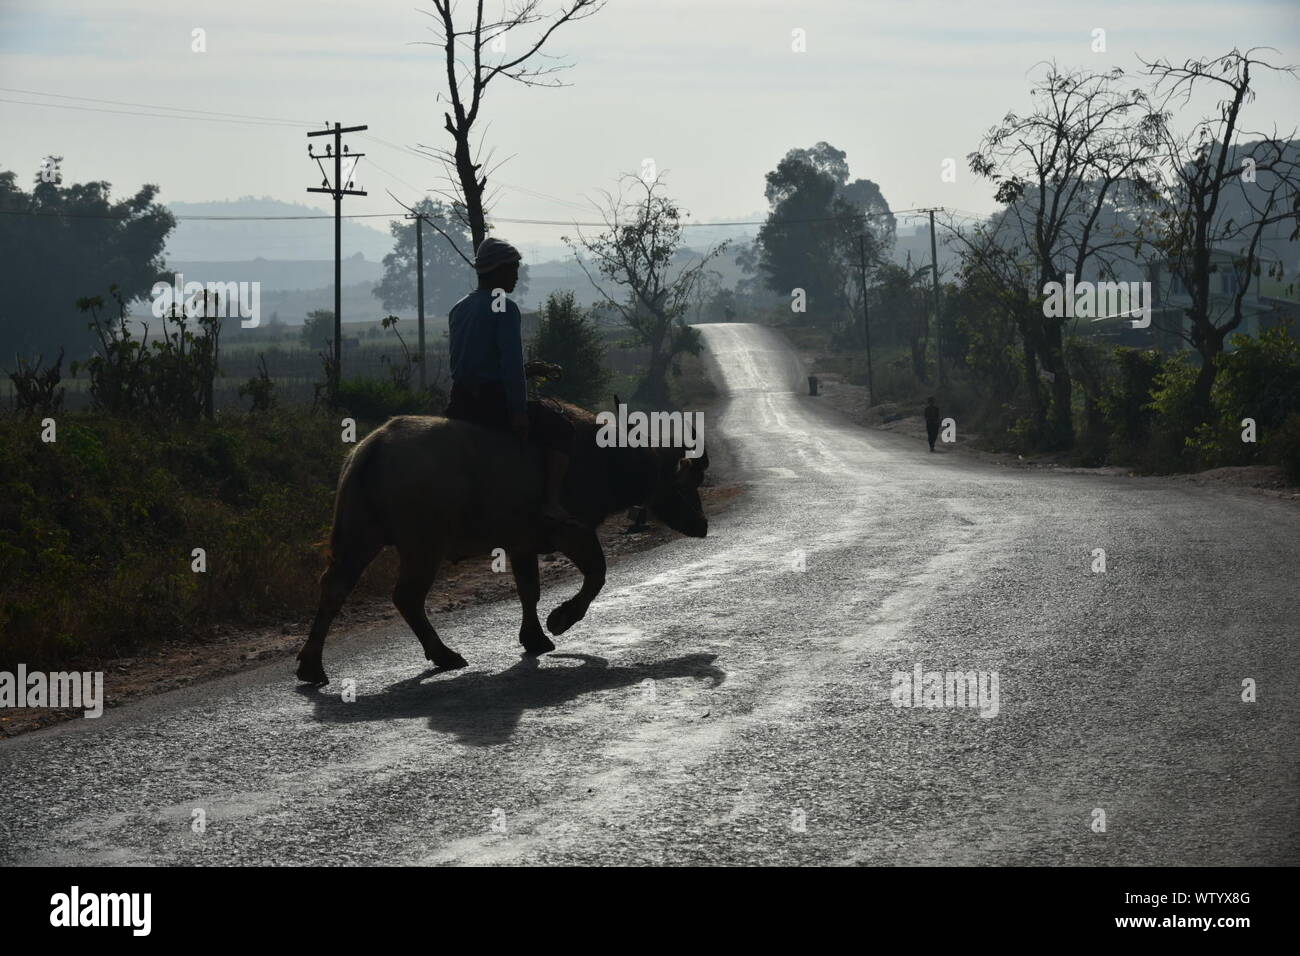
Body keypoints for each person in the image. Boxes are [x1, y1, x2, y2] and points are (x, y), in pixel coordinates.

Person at [445, 237, 577, 525]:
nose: (517, 275)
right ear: (497, 270)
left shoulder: (459, 307)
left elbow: (471, 362)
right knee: (562, 428)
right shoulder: (504, 306)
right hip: (492, 402)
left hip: (460, 400)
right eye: (513, 268)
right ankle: (552, 502)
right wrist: (518, 412)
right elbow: (509, 364)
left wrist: (528, 370)